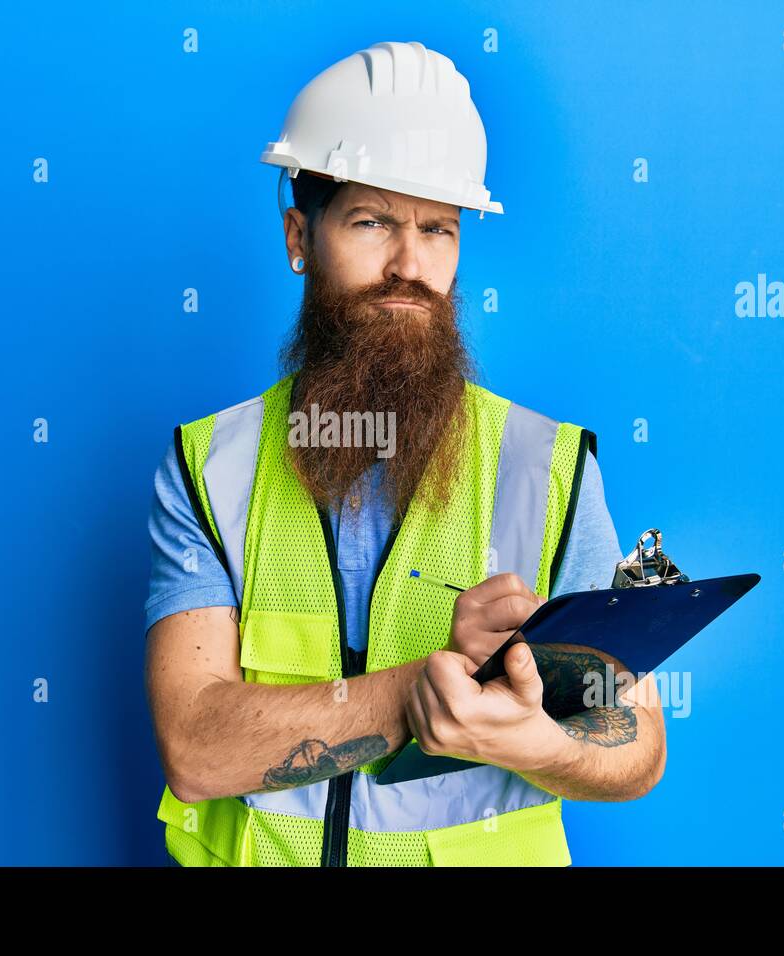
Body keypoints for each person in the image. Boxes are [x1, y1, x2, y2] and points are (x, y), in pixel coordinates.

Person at [145, 40, 665, 867]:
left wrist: (537, 740)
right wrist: (418, 693)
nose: (409, 267)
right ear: (298, 237)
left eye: (437, 229)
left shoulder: (547, 466)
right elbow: (197, 751)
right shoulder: (213, 466)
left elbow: (635, 746)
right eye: (371, 221)